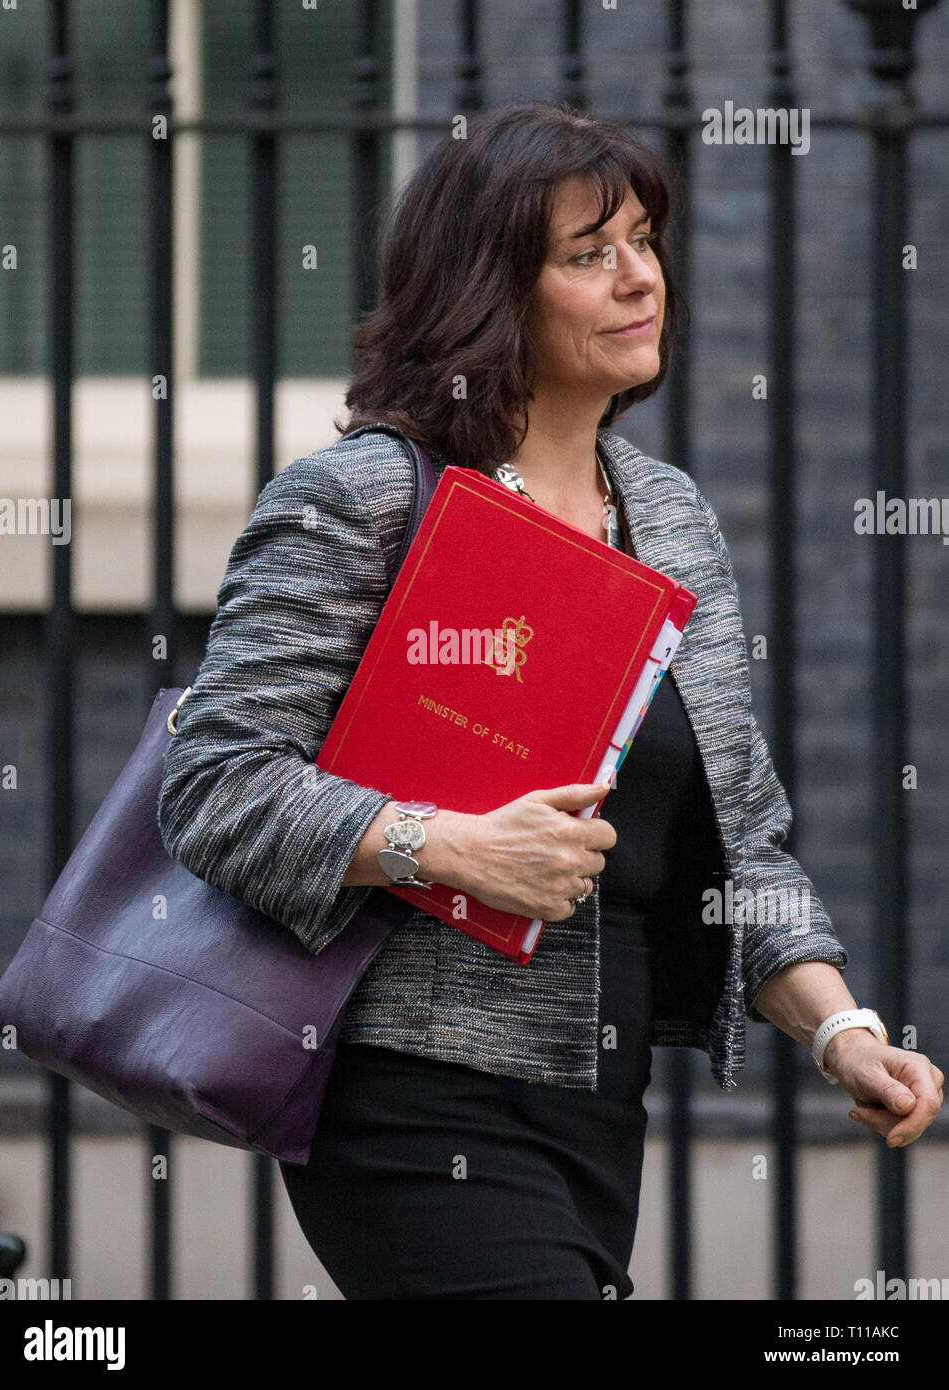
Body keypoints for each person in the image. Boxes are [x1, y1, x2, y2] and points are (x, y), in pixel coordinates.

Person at [157, 100, 943, 1300]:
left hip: (599, 1109)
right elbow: (213, 786)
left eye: (644, 242)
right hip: (410, 1101)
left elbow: (743, 840)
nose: (640, 279)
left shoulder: (671, 519)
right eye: (589, 254)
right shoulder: (366, 498)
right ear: (488, 293)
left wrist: (843, 1030)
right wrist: (449, 845)